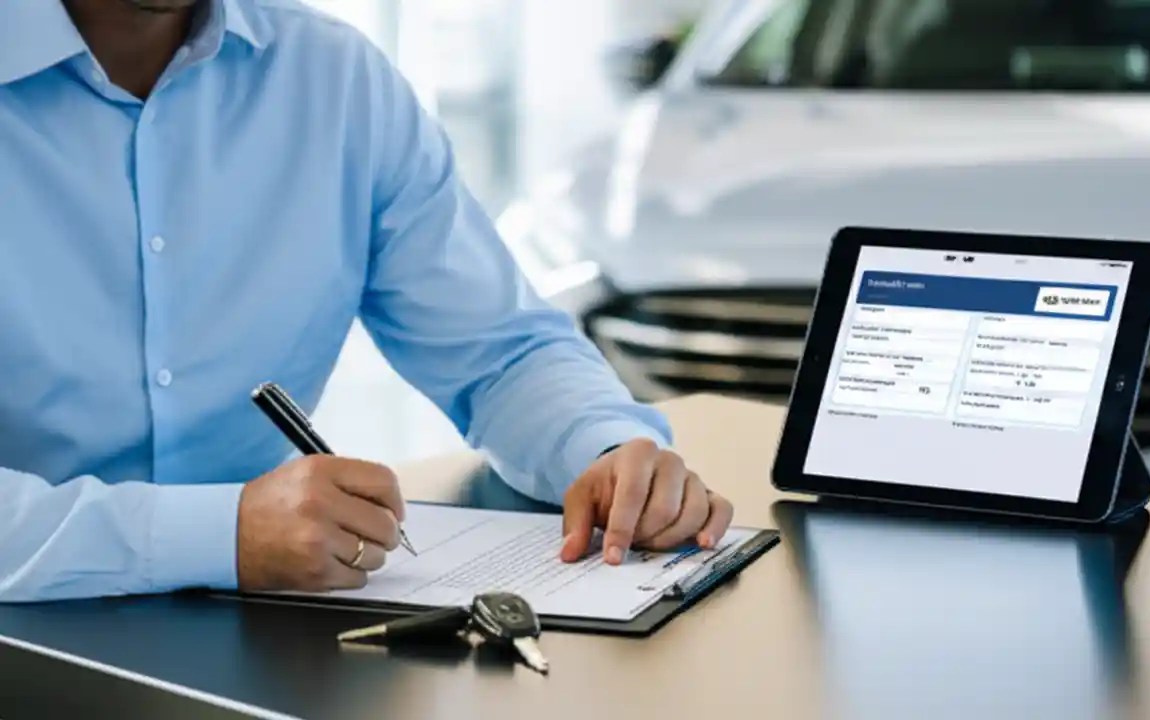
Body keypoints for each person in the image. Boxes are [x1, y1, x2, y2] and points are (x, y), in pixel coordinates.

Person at [0, 0, 733, 602]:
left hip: (268, 631)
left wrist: (601, 450)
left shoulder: (336, 80)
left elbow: (499, 351)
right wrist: (218, 533)